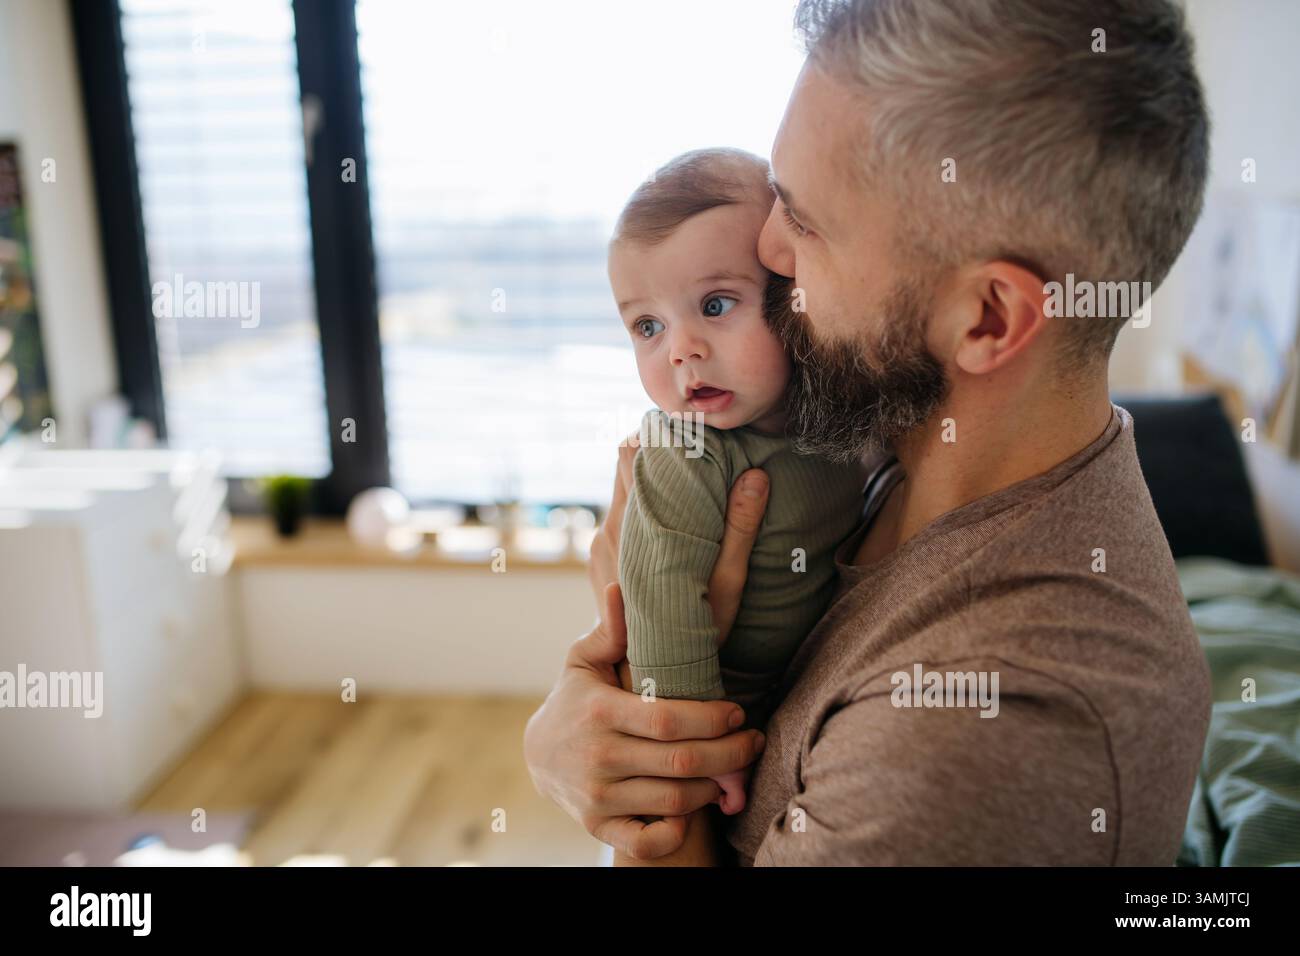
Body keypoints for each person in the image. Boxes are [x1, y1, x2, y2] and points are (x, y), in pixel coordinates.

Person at [525, 0, 1213, 865]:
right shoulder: (887, 433)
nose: (767, 249)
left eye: (805, 221)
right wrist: (591, 726)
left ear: (989, 319)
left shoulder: (966, 740)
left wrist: (647, 800)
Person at [606, 146, 868, 817]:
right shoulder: (683, 446)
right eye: (648, 326)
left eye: (716, 304)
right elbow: (662, 596)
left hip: (807, 693)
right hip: (721, 702)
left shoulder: (836, 406)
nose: (680, 350)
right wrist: (694, 744)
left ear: (792, 301)